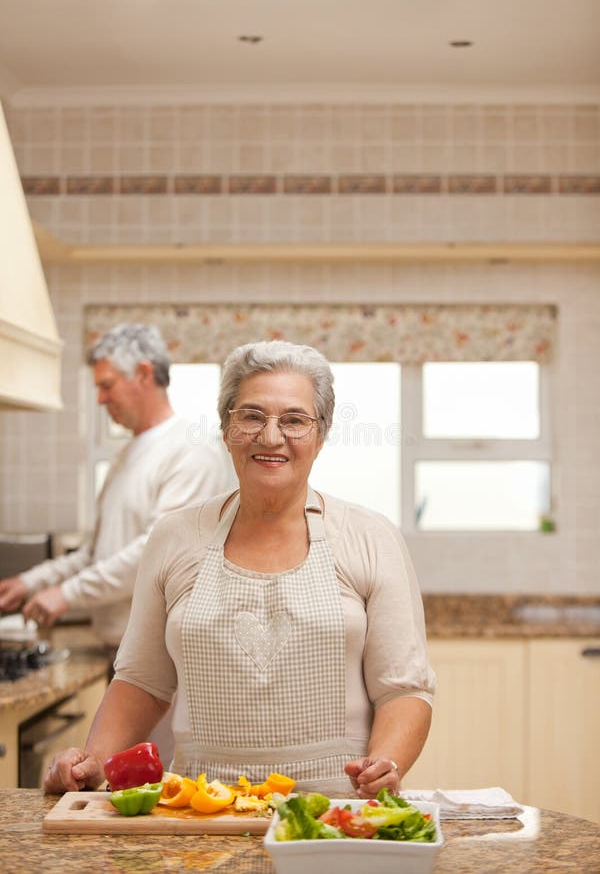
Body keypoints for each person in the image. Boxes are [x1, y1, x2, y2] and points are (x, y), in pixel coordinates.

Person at [44, 339, 435, 799]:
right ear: (227, 428)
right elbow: (143, 682)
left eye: (294, 420)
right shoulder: (174, 537)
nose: (271, 437)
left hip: (335, 815)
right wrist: (94, 760)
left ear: (320, 435)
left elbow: (403, 689)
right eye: (251, 416)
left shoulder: (371, 538)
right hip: (199, 812)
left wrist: (384, 764)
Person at [0, 323, 234, 650]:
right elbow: (96, 554)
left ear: (143, 373)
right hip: (125, 650)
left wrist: (67, 594)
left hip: (167, 657)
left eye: (106, 385)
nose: (100, 399)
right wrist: (30, 582)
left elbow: (156, 552)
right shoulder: (126, 455)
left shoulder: (191, 451)